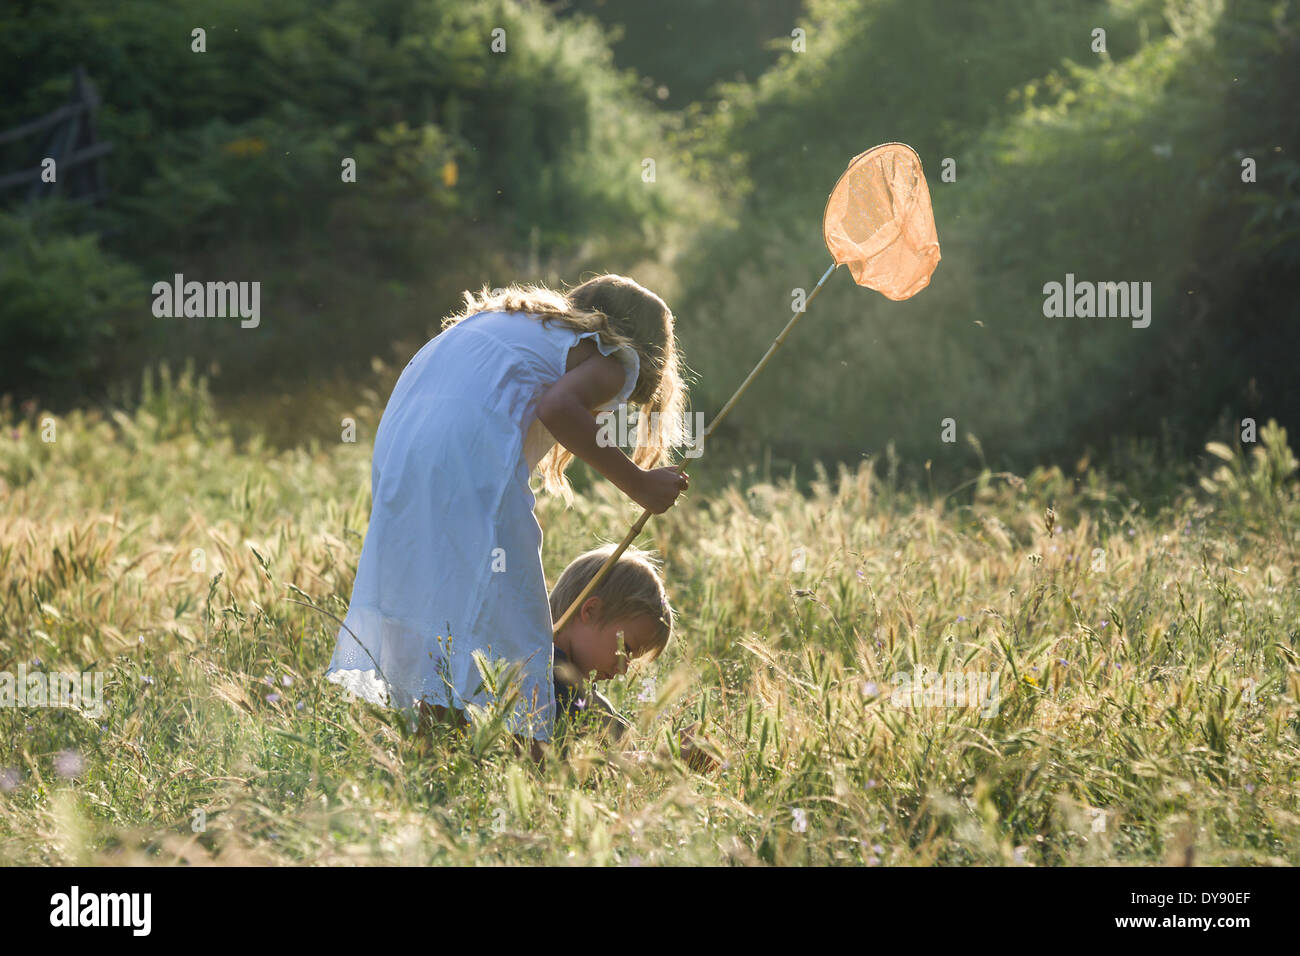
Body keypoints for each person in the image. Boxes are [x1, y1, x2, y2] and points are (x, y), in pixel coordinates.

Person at [325, 275, 691, 746]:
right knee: (515, 631)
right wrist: (639, 485)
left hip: (402, 449)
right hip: (465, 461)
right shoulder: (613, 357)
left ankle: (434, 755)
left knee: (449, 616)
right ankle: (511, 756)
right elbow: (560, 407)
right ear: (646, 353)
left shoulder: (517, 325)